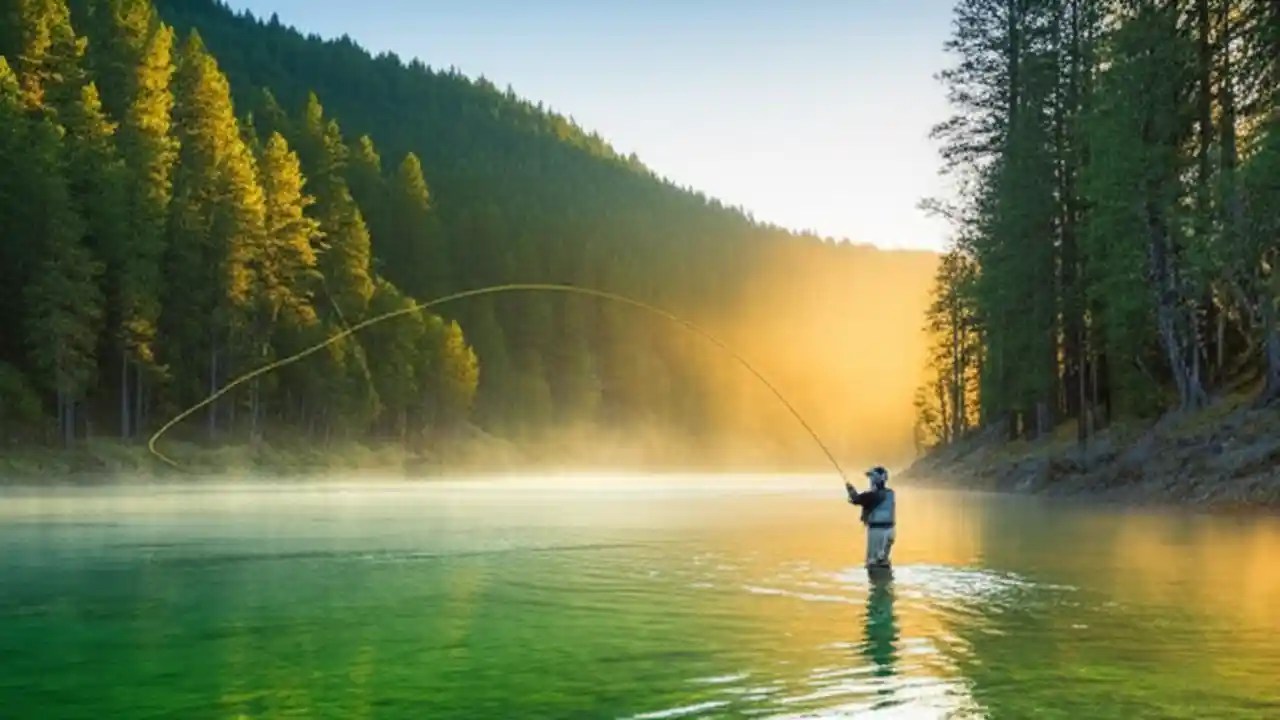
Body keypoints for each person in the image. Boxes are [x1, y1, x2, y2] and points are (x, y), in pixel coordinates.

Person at [845, 466, 895, 568]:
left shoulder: (873, 495)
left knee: (872, 563)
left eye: (872, 477)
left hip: (877, 532)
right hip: (891, 531)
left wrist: (850, 490)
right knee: (883, 562)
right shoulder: (890, 493)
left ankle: (875, 582)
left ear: (877, 479)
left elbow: (856, 499)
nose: (870, 480)